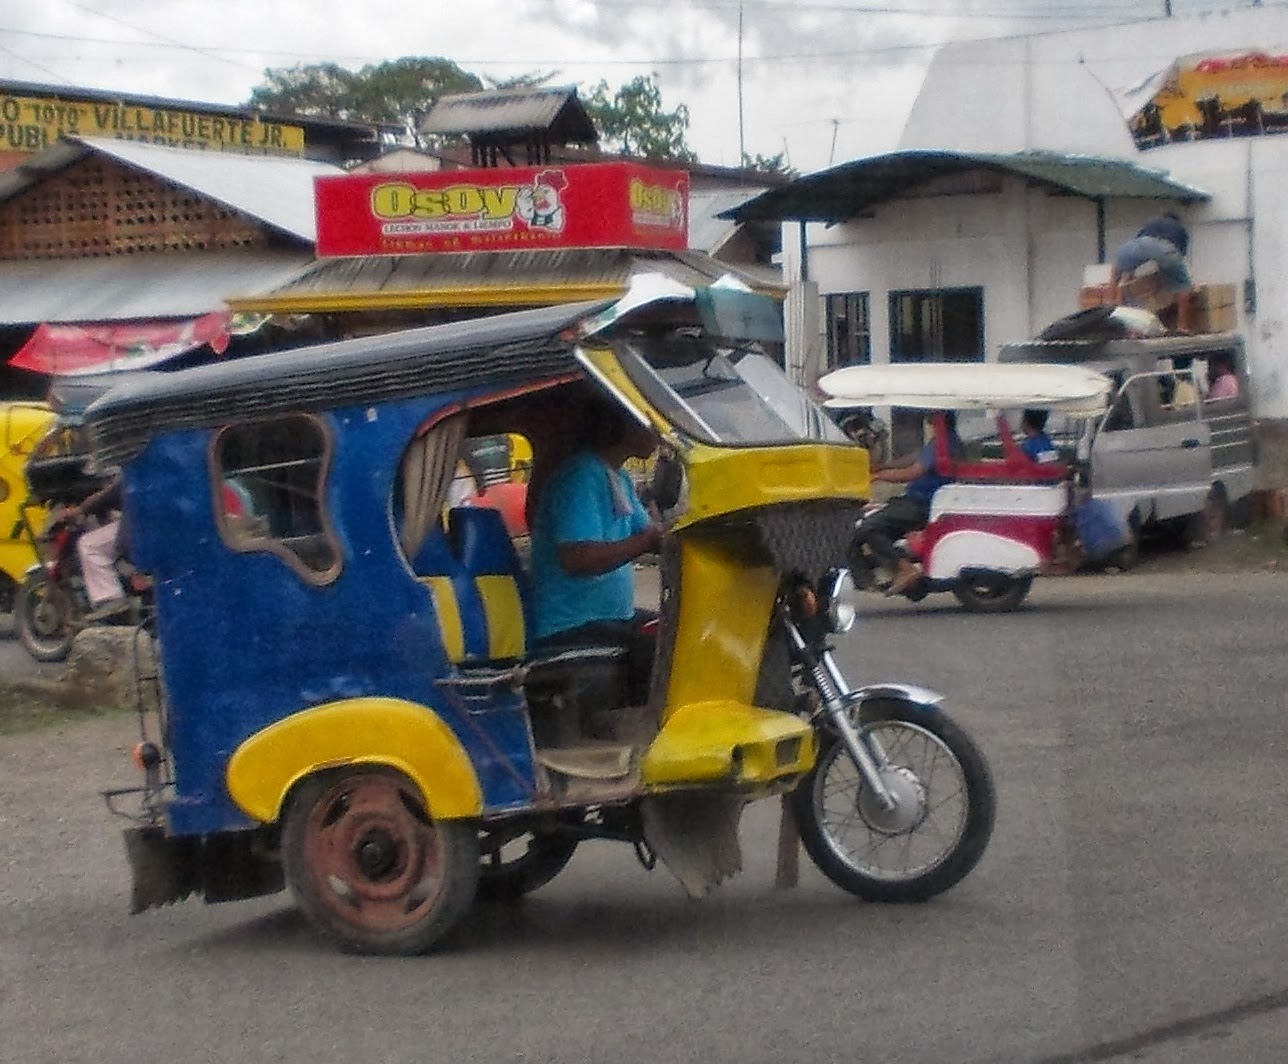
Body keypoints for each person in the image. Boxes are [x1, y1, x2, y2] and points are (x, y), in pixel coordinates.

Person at [529, 399, 665, 704]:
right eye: (647, 421)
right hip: (571, 626)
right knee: (662, 648)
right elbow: (579, 558)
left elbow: (650, 535)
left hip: (613, 617)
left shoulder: (619, 477)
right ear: (620, 424)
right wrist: (647, 541)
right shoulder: (581, 475)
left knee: (677, 629)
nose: (657, 431)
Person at [853, 410, 963, 595]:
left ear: (938, 417)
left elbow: (914, 471)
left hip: (921, 504)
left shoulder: (944, 442)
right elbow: (915, 457)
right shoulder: (942, 441)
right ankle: (889, 572)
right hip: (919, 501)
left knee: (869, 527)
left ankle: (904, 568)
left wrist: (879, 476)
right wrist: (884, 466)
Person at [1108, 212, 1192, 325]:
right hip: (1166, 248)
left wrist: (1129, 276)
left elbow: (1139, 247)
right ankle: (1183, 325)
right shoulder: (1180, 229)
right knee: (1184, 288)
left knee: (1116, 272)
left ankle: (1111, 308)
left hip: (1141, 243)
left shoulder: (1152, 221)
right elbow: (1177, 258)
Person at [68, 470, 128, 620]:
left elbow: (111, 493)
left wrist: (80, 509)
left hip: (143, 525)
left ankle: (110, 598)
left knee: (88, 545)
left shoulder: (134, 468)